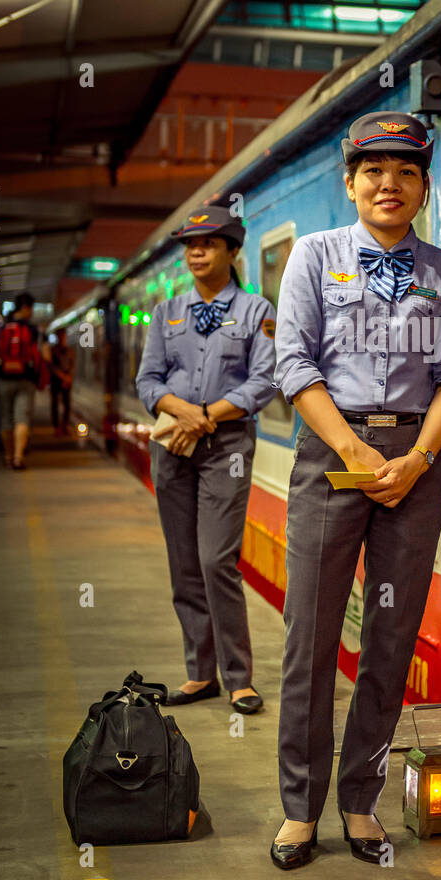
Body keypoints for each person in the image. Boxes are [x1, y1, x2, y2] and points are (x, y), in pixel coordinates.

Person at [270, 111, 441, 869]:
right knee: (310, 639)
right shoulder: (313, 257)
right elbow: (295, 366)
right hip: (333, 450)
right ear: (350, 183)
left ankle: (359, 802)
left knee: (387, 642)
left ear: (423, 186)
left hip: (417, 460)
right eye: (374, 171)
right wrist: (360, 454)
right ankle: (300, 809)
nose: (389, 184)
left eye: (407, 171)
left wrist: (416, 460)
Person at [136, 204, 278, 713]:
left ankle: (238, 677)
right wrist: (183, 412)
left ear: (232, 252)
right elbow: (147, 381)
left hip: (227, 448)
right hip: (173, 445)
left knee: (216, 559)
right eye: (190, 246)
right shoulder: (167, 311)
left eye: (209, 244)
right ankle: (200, 675)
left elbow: (264, 381)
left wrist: (205, 416)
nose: (196, 252)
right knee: (184, 564)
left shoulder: (257, 312)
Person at [0, 293, 47, 470]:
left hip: (4, 378)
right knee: (22, 418)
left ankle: (8, 456)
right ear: (26, 307)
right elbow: (45, 355)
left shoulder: (1, 328)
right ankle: (18, 457)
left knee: (6, 419)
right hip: (26, 379)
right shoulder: (34, 330)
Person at [49, 328, 76, 435]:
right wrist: (62, 376)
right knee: (55, 403)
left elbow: (73, 365)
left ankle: (65, 425)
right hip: (56, 380)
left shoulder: (70, 351)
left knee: (67, 404)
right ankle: (56, 427)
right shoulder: (53, 350)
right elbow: (51, 366)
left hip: (66, 380)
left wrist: (68, 377)